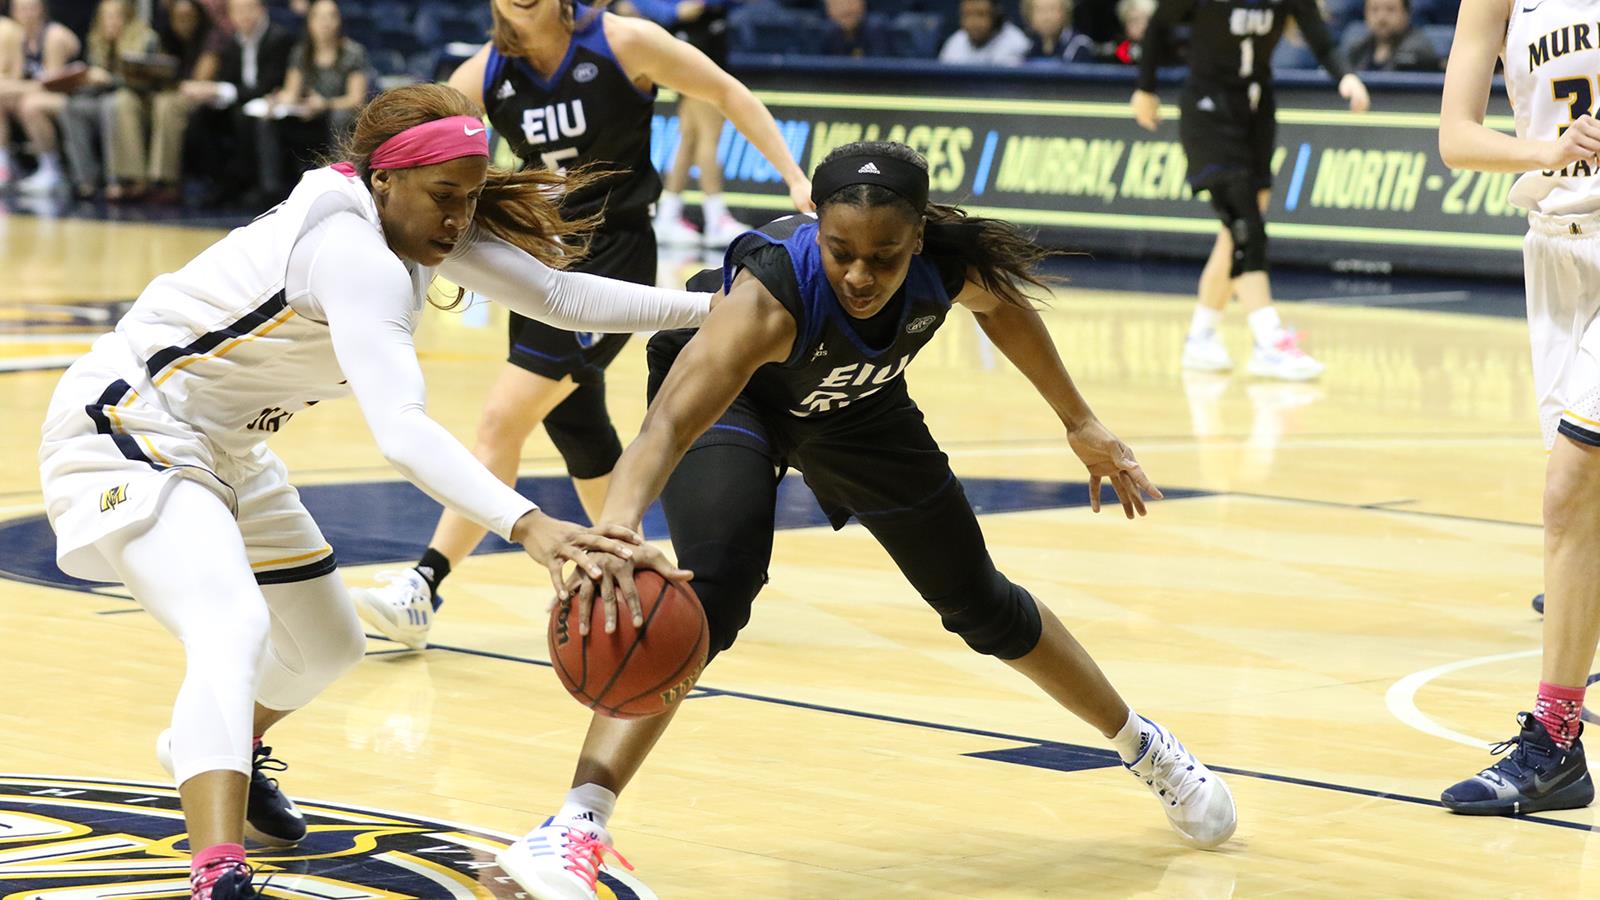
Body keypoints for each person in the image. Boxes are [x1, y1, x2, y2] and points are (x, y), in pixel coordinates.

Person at [492, 141, 1238, 900]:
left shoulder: (947, 265)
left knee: (979, 601)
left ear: (918, 238)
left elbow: (1003, 309)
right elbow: (668, 428)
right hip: (741, 408)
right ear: (816, 226)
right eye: (841, 251)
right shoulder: (768, 300)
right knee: (712, 588)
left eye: (883, 258)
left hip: (858, 407)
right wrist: (619, 527)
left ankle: (1145, 747)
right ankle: (577, 824)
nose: (859, 274)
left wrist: (1081, 421)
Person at [36, 82, 709, 900]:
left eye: (469, 197)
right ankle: (216, 873)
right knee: (232, 623)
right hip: (131, 423)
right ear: (384, 179)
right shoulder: (354, 252)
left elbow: (562, 297)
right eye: (445, 198)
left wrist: (725, 309)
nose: (460, 219)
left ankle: (213, 747)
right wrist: (531, 526)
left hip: (230, 448)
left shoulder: (413, 223)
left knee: (328, 644)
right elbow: (401, 428)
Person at [350, 0, 811, 651]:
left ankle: (424, 586)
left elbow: (725, 89)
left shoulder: (624, 42)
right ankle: (634, 580)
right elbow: (417, 154)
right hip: (537, 263)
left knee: (503, 418)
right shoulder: (482, 72)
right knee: (579, 429)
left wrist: (794, 178)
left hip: (613, 256)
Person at [1437, 0, 1600, 816]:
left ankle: (1553, 738)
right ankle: (1561, 755)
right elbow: (1456, 137)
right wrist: (1545, 152)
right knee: (1583, 510)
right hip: (1557, 255)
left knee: (1570, 490)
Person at [1131, 0, 1369, 380]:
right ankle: (1269, 341)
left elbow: (1321, 40)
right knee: (1246, 227)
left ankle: (1201, 335)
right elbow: (1159, 25)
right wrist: (1146, 89)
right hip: (1208, 111)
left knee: (1235, 232)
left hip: (1257, 111)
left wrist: (1346, 77)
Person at [623, 0, 751, 248]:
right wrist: (671, 12)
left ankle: (668, 216)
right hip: (694, 41)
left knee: (690, 137)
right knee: (709, 134)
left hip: (707, 38)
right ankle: (716, 218)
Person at [178, 0, 293, 206]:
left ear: (261, 9)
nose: (244, 16)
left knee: (243, 117)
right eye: (237, 11)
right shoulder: (233, 42)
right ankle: (218, 182)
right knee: (202, 117)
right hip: (239, 103)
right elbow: (227, 79)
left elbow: (268, 85)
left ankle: (249, 185)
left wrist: (220, 89)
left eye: (249, 9)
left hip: (271, 106)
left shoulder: (279, 39)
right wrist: (210, 93)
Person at [259, 0, 367, 197]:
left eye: (331, 16)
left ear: (339, 22)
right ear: (310, 22)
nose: (325, 22)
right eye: (319, 17)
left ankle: (339, 184)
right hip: (308, 116)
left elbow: (356, 99)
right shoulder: (301, 52)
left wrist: (324, 104)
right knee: (268, 121)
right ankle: (271, 190)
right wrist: (277, 101)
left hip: (335, 117)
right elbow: (291, 92)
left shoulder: (353, 53)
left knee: (340, 116)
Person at [59, 0, 159, 201]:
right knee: (72, 108)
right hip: (105, 97)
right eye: (107, 17)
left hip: (139, 103)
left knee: (111, 104)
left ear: (128, 17)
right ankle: (85, 179)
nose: (112, 22)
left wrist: (109, 79)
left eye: (116, 16)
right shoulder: (97, 41)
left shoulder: (146, 39)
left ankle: (116, 178)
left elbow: (146, 83)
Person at [2, 0, 80, 191]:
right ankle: (4, 163)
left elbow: (53, 85)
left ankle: (52, 169)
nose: (27, 14)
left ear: (42, 10)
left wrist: (11, 87)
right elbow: (18, 76)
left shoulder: (54, 36)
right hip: (41, 93)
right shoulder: (20, 37)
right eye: (21, 9)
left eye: (31, 8)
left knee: (30, 106)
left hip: (74, 96)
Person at [146, 0, 218, 203]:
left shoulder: (211, 37)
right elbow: (158, 72)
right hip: (169, 93)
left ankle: (165, 180)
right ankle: (134, 180)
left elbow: (199, 80)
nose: (183, 23)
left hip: (203, 98)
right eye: (178, 19)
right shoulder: (166, 37)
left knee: (167, 104)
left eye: (188, 18)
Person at [1339, 0, 1440, 73]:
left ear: (1406, 14)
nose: (1381, 17)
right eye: (1374, 10)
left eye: (1390, 10)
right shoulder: (1357, 50)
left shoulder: (1418, 50)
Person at [939, 0, 1030, 66]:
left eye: (981, 14)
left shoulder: (1016, 43)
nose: (973, 22)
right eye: (967, 15)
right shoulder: (955, 41)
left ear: (996, 15)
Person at [1023, 0, 1094, 63]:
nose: (1046, 18)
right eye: (1039, 10)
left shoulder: (1079, 46)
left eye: (1052, 9)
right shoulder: (1028, 47)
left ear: (1065, 12)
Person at [818, 0, 892, 59]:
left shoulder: (875, 29)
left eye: (851, 2)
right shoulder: (829, 33)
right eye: (837, 3)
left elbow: (880, 68)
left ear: (863, 4)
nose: (846, 8)